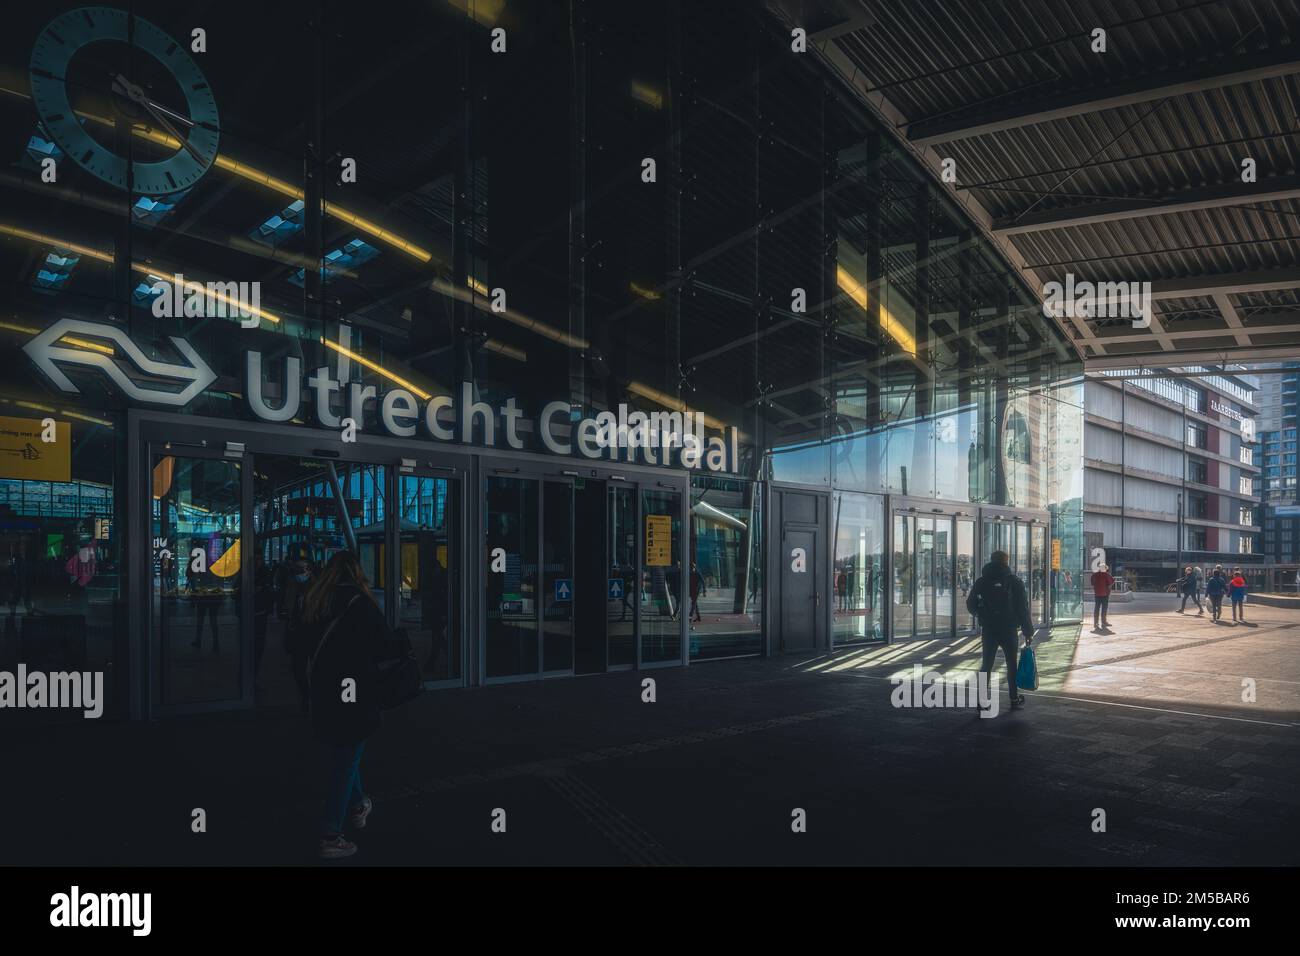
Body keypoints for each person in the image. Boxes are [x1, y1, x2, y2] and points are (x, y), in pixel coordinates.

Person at [298, 551, 388, 860]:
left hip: (324, 691)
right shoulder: (362, 604)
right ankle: (330, 834)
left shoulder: (315, 602)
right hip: (355, 692)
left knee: (345, 752)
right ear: (356, 572)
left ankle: (359, 802)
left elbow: (297, 646)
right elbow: (383, 647)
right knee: (345, 759)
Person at [966, 550, 1034, 712]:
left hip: (989, 629)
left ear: (991, 560)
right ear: (1006, 561)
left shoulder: (982, 581)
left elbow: (970, 604)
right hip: (1009, 628)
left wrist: (981, 615)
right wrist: (1028, 631)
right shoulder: (1014, 581)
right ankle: (1014, 698)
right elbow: (1022, 609)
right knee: (1011, 664)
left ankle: (982, 701)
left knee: (986, 664)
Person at [1090, 563, 1114, 631]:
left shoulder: (1094, 575)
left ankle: (1096, 623)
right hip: (1105, 594)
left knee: (1096, 608)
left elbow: (1092, 583)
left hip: (1097, 594)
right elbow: (1111, 582)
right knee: (1104, 609)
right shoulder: (1106, 575)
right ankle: (1103, 622)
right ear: (1105, 568)